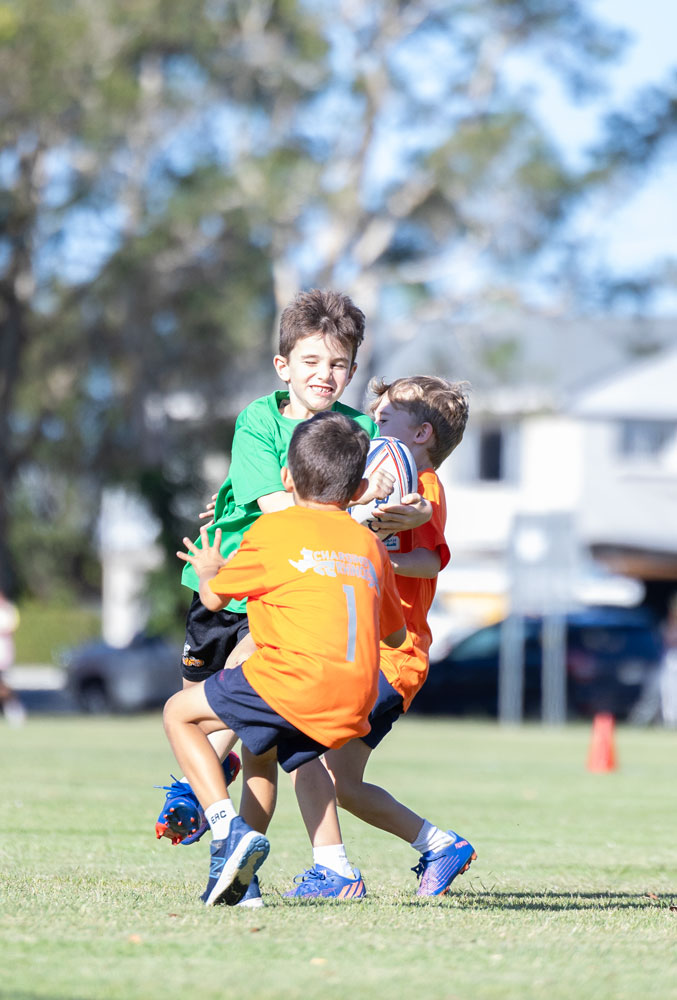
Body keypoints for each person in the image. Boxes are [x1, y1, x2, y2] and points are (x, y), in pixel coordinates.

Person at [155, 290, 432, 888]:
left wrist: (413, 513)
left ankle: (221, 825)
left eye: (338, 364)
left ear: (352, 370)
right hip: (222, 584)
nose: (324, 374)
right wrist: (364, 513)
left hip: (288, 598)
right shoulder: (258, 420)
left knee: (246, 728)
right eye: (311, 361)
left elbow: (403, 486)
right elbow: (278, 506)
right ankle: (233, 849)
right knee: (227, 731)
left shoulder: (362, 431)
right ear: (284, 366)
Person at [163, 411, 406, 906]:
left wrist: (209, 567)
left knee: (178, 714)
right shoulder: (369, 545)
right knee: (267, 751)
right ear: (360, 489)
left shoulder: (273, 531)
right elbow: (396, 635)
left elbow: (214, 599)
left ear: (287, 478)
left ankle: (225, 828)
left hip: (294, 681)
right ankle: (245, 882)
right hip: (354, 697)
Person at [285, 375, 477, 899]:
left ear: (422, 434)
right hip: (366, 654)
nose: (375, 421)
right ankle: (440, 845)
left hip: (393, 655)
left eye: (387, 416)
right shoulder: (380, 478)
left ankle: (335, 873)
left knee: (299, 745)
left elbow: (428, 560)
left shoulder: (424, 486)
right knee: (342, 783)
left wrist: (369, 554)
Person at [0, 591, 26, 727]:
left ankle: (15, 709)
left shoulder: (9, 610)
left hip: (3, 653)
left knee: (3, 685)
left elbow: (10, 628)